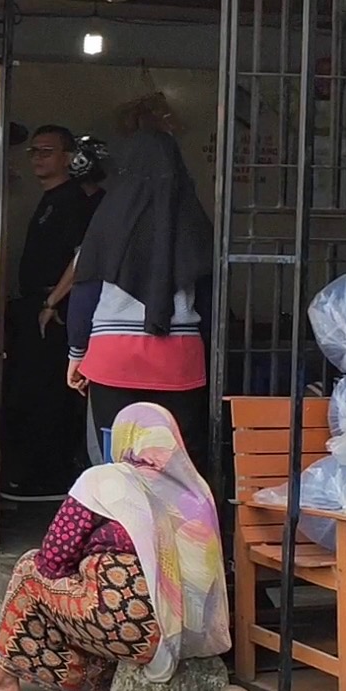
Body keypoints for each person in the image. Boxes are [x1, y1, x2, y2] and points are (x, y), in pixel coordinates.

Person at [0, 402, 229, 691]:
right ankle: (102, 680)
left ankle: (3, 680)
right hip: (186, 634)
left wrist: (85, 559)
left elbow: (52, 559)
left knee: (30, 571)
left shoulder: (107, 480)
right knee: (78, 589)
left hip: (134, 628)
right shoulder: (195, 494)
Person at [66, 129, 216, 478]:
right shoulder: (194, 221)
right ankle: (178, 532)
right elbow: (210, 303)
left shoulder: (107, 218)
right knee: (179, 463)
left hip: (112, 358)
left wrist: (76, 353)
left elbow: (85, 290)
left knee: (117, 459)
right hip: (178, 360)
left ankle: (124, 530)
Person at [2, 125, 96, 498]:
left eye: (47, 151)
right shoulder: (49, 199)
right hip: (35, 305)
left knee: (50, 396)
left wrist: (53, 302)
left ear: (69, 157)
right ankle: (31, 471)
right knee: (29, 393)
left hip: (54, 311)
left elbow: (82, 256)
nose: (38, 158)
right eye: (34, 151)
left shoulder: (75, 201)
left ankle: (52, 476)